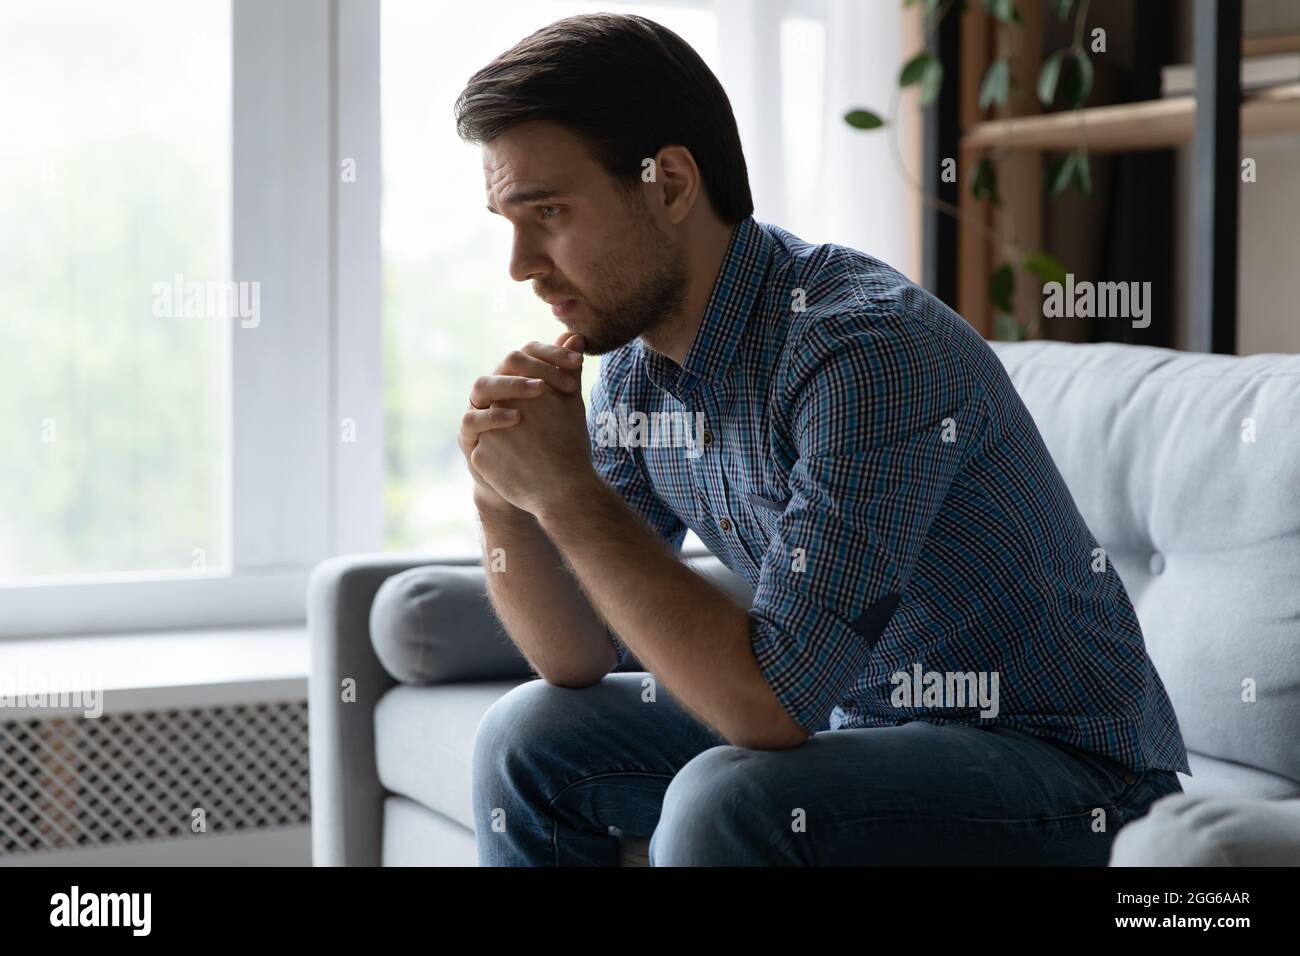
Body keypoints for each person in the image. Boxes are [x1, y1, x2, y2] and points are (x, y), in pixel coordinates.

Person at [453, 12, 1189, 866]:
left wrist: (567, 493)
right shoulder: (634, 363)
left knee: (728, 802)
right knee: (530, 736)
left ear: (670, 185)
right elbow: (580, 656)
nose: (519, 262)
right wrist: (503, 498)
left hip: (1071, 773)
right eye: (507, 218)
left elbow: (770, 706)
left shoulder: (863, 349)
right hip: (859, 726)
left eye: (547, 211)